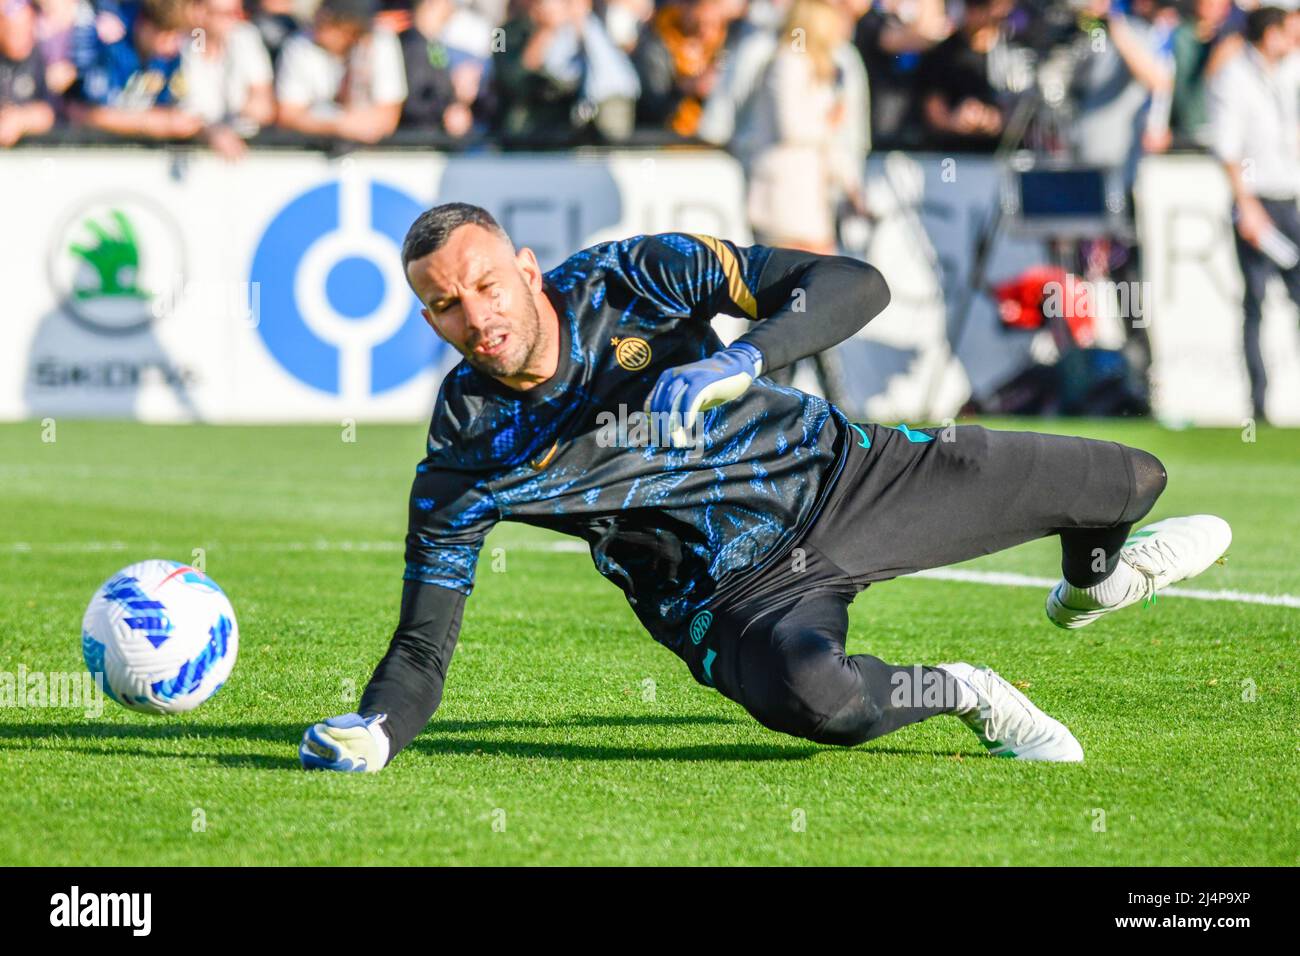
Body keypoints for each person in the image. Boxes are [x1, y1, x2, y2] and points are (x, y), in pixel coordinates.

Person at [298, 203, 1234, 772]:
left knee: (1132, 480)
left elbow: (853, 282)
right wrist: (375, 731)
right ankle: (967, 692)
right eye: (446, 305)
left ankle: (1095, 582)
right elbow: (423, 647)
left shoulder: (635, 277)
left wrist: (745, 356)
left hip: (845, 475)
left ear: (527, 270)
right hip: (731, 595)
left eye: (487, 285)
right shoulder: (468, 446)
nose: (477, 317)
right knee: (822, 702)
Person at [1208, 5, 1300, 422]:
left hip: (1290, 198)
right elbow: (1230, 149)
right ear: (1270, 34)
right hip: (1258, 201)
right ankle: (1259, 407)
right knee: (1257, 304)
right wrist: (1246, 205)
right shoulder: (1235, 76)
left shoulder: (1289, 70)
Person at [66, 0, 203, 142]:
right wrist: (152, 123)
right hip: (91, 149)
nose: (171, 47)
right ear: (145, 25)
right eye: (167, 37)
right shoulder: (110, 44)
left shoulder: (169, 58)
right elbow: (84, 113)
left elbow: (175, 109)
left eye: (177, 37)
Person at [275, 0, 407, 144]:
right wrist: (339, 126)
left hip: (371, 154)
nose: (321, 21)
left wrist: (318, 121)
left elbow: (387, 118)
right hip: (309, 150)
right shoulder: (299, 46)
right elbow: (288, 116)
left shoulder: (379, 41)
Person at [913, 0, 1011, 151]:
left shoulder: (1012, 49)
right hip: (952, 158)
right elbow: (934, 111)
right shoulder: (942, 54)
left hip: (1006, 156)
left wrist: (996, 119)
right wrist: (957, 121)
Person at [182, 0, 274, 158]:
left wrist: (253, 107)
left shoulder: (245, 37)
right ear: (199, 13)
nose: (234, 20)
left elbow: (263, 107)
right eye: (226, 14)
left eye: (237, 12)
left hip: (241, 147)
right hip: (190, 148)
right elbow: (184, 111)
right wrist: (211, 131)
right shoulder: (187, 41)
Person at [397, 0, 491, 137]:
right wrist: (444, 111)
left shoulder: (434, 46)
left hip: (435, 141)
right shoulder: (413, 45)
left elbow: (438, 87)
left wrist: (458, 92)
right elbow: (412, 102)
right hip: (417, 145)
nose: (451, 8)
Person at [0, 0, 55, 145]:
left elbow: (49, 113)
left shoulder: (36, 57)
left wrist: (21, 120)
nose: (24, 35)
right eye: (15, 30)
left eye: (28, 27)